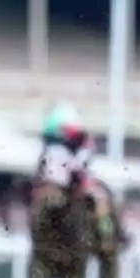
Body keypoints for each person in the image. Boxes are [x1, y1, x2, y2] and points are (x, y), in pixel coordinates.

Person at [38, 103, 123, 252]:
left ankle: (107, 236)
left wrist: (75, 167)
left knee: (100, 198)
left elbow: (84, 159)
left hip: (76, 178)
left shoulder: (82, 142)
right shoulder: (49, 140)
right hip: (54, 179)